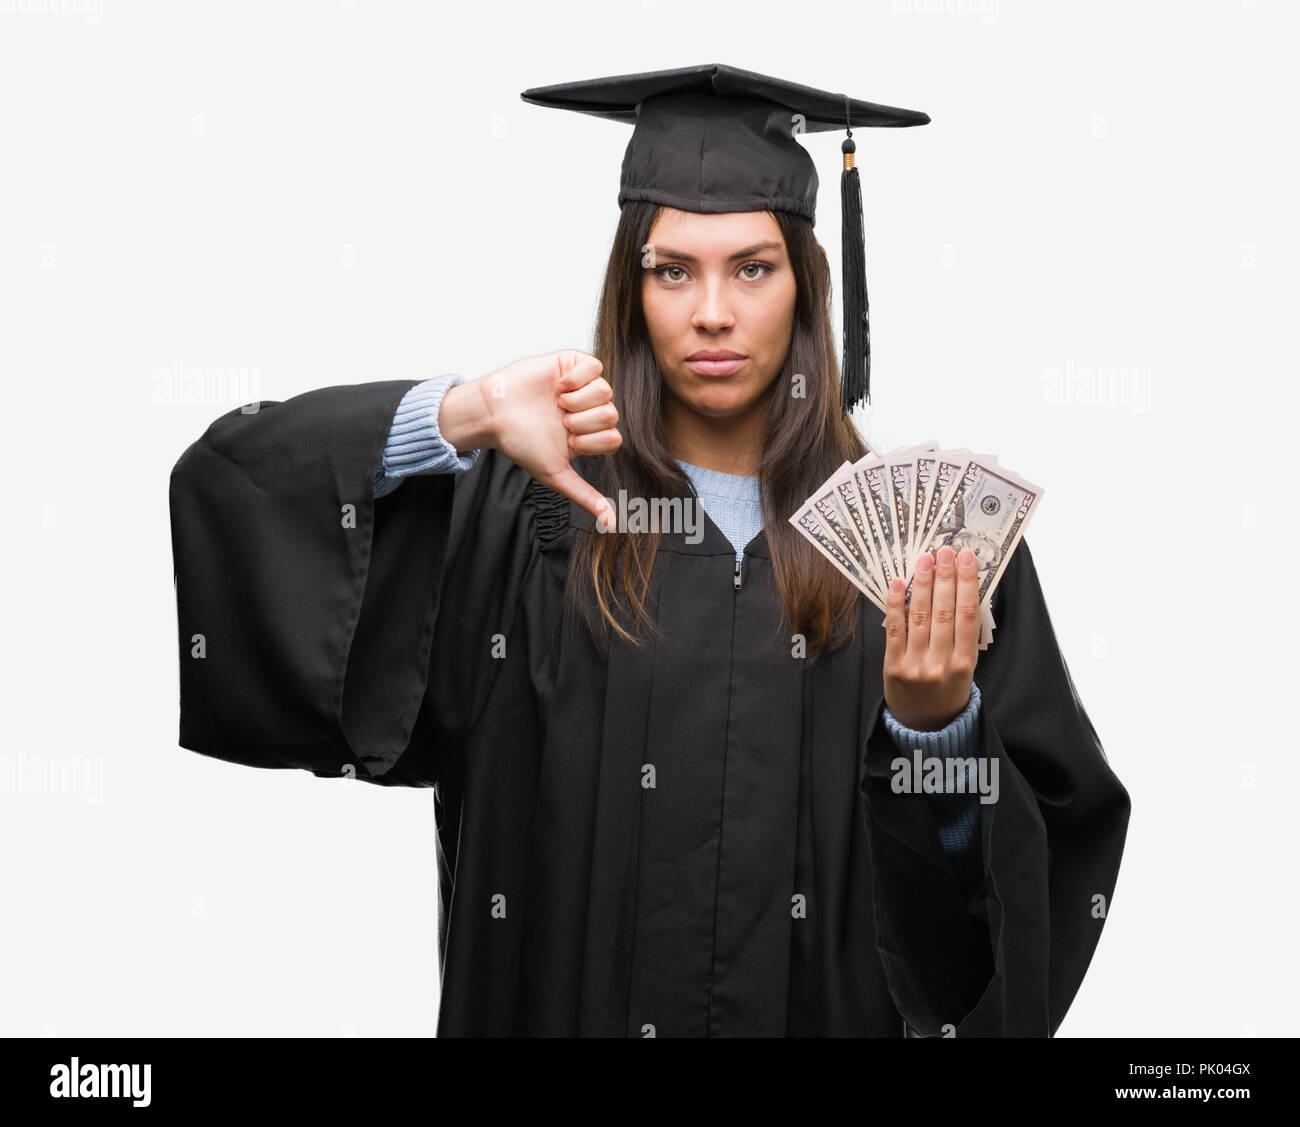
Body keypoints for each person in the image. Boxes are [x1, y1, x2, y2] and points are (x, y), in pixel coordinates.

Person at [168, 64, 1130, 1037]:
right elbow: (236, 481)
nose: (712, 310)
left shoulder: (926, 552)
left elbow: (1029, 883)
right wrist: (465, 413)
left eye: (752, 266)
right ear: (631, 290)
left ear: (805, 289)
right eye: (672, 268)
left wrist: (936, 734)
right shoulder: (521, 518)